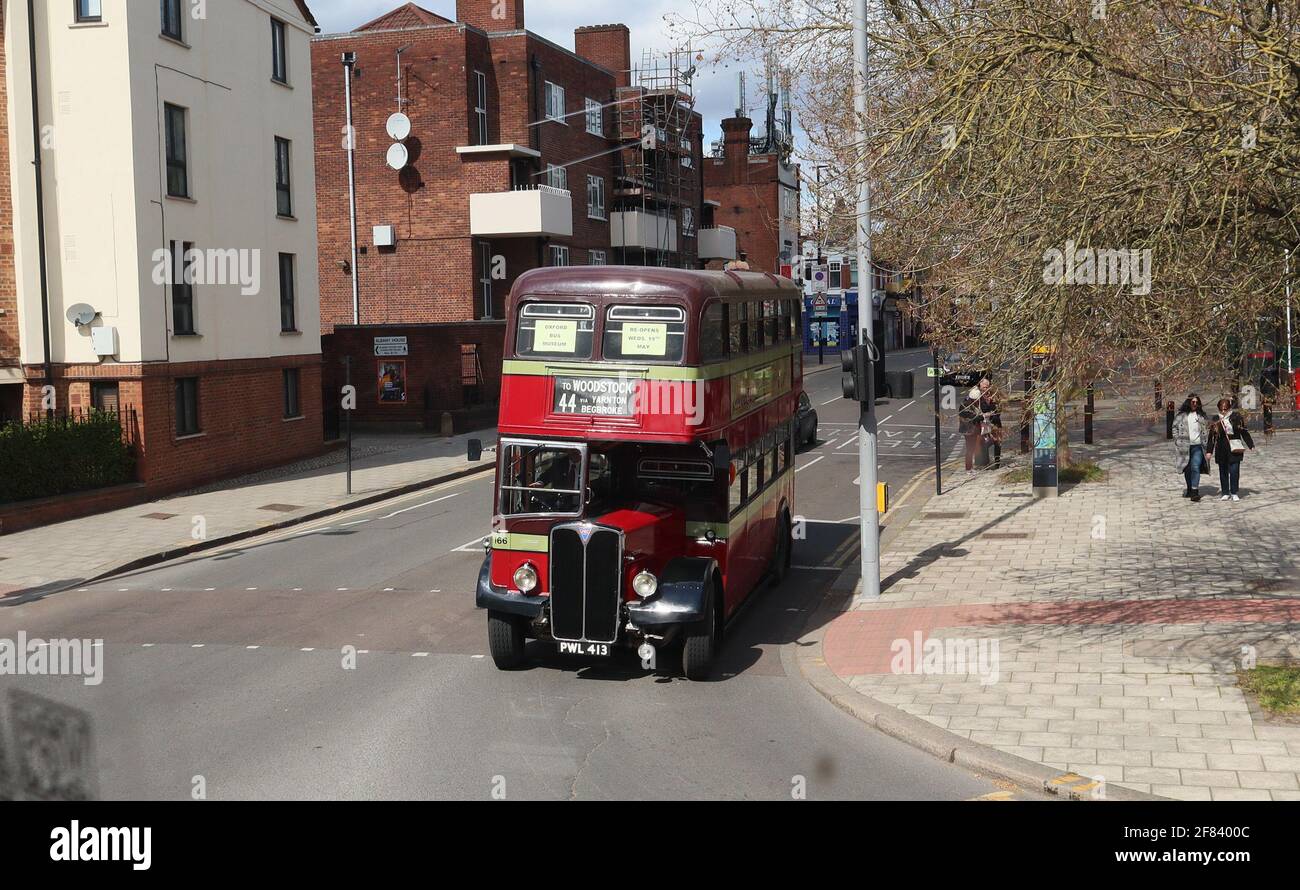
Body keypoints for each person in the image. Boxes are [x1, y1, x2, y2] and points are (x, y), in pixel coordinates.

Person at [1207, 398, 1255, 501]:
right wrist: (1209, 451)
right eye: (1221, 410)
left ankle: (1234, 492)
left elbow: (1244, 431)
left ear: (1229, 408)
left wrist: (1250, 444)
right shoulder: (1216, 419)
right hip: (1221, 448)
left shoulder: (1236, 417)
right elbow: (1211, 436)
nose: (1223, 412)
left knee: (1234, 470)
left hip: (1234, 447)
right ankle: (1225, 492)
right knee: (1223, 471)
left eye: (1225, 409)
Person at [1172, 394, 1210, 502]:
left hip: (1198, 445)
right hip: (1184, 446)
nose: (1195, 404)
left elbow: (1207, 428)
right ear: (1189, 402)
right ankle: (1189, 488)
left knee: (1195, 466)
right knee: (1187, 469)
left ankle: (1195, 491)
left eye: (1197, 402)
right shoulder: (1181, 416)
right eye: (1193, 402)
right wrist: (1177, 440)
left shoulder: (1201, 416)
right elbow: (1174, 428)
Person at [977, 377, 1003, 469]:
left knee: (998, 443)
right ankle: (984, 461)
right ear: (980, 387)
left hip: (995, 422)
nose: (986, 389)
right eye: (984, 387)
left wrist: (994, 412)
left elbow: (999, 408)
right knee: (985, 443)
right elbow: (981, 410)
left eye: (987, 387)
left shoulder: (994, 395)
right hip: (985, 424)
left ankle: (997, 463)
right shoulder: (978, 396)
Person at [959, 385, 984, 472]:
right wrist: (981, 417)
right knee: (970, 449)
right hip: (969, 430)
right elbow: (973, 417)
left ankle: (970, 467)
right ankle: (968, 468)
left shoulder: (970, 403)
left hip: (972, 429)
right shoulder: (966, 406)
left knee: (972, 448)